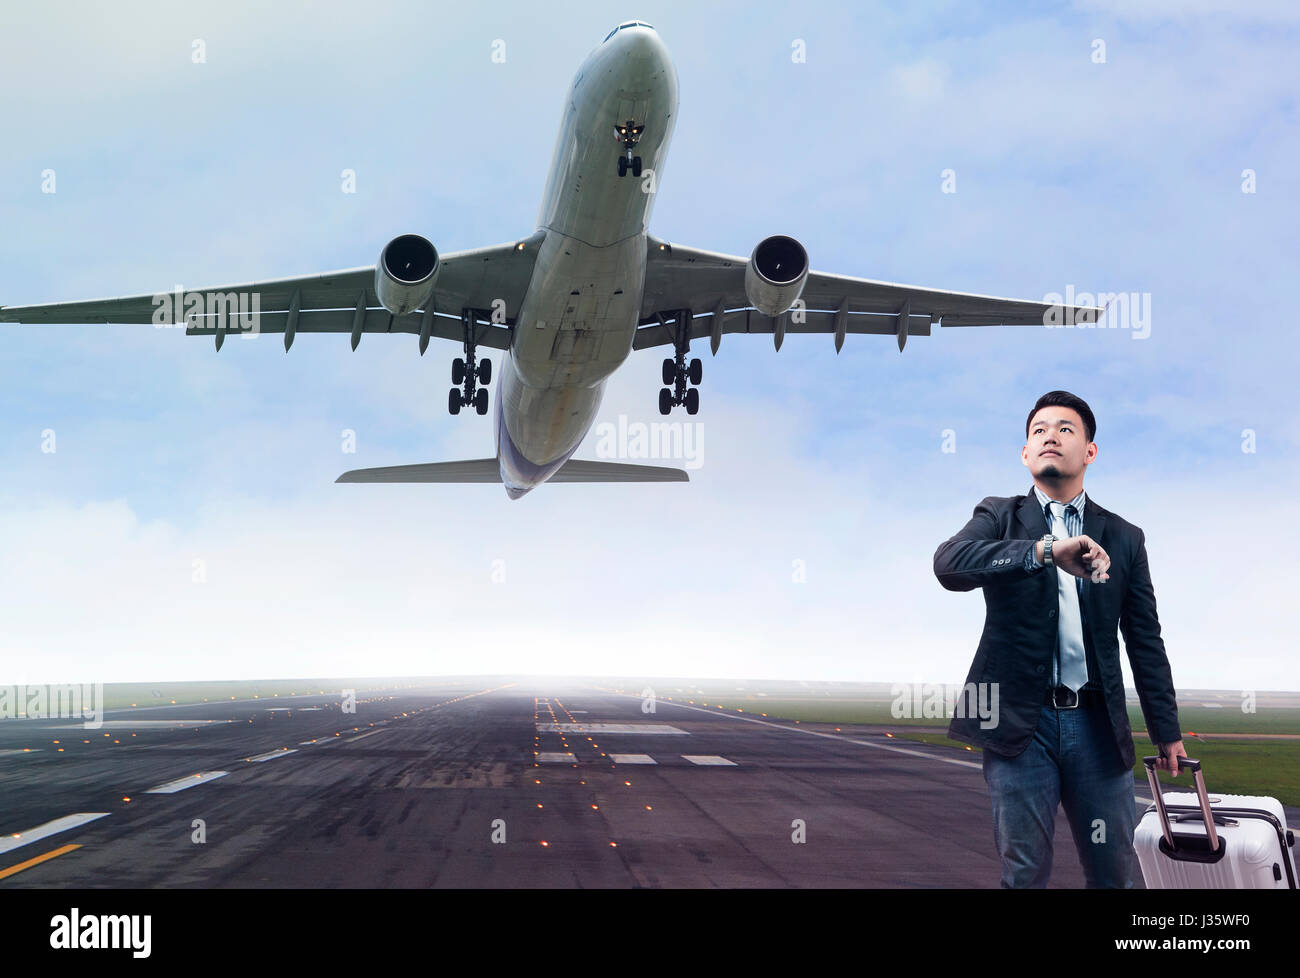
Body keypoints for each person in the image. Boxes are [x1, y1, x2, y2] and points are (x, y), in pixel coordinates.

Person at [933, 390, 1185, 888]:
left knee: (1116, 876)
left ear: (1090, 451)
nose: (1051, 435)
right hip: (1021, 729)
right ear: (1025, 453)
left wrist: (1166, 729)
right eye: (1039, 430)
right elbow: (948, 565)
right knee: (1025, 874)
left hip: (1097, 727)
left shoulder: (1125, 537)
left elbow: (1145, 639)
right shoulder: (999, 516)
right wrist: (1046, 550)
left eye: (1065, 429)